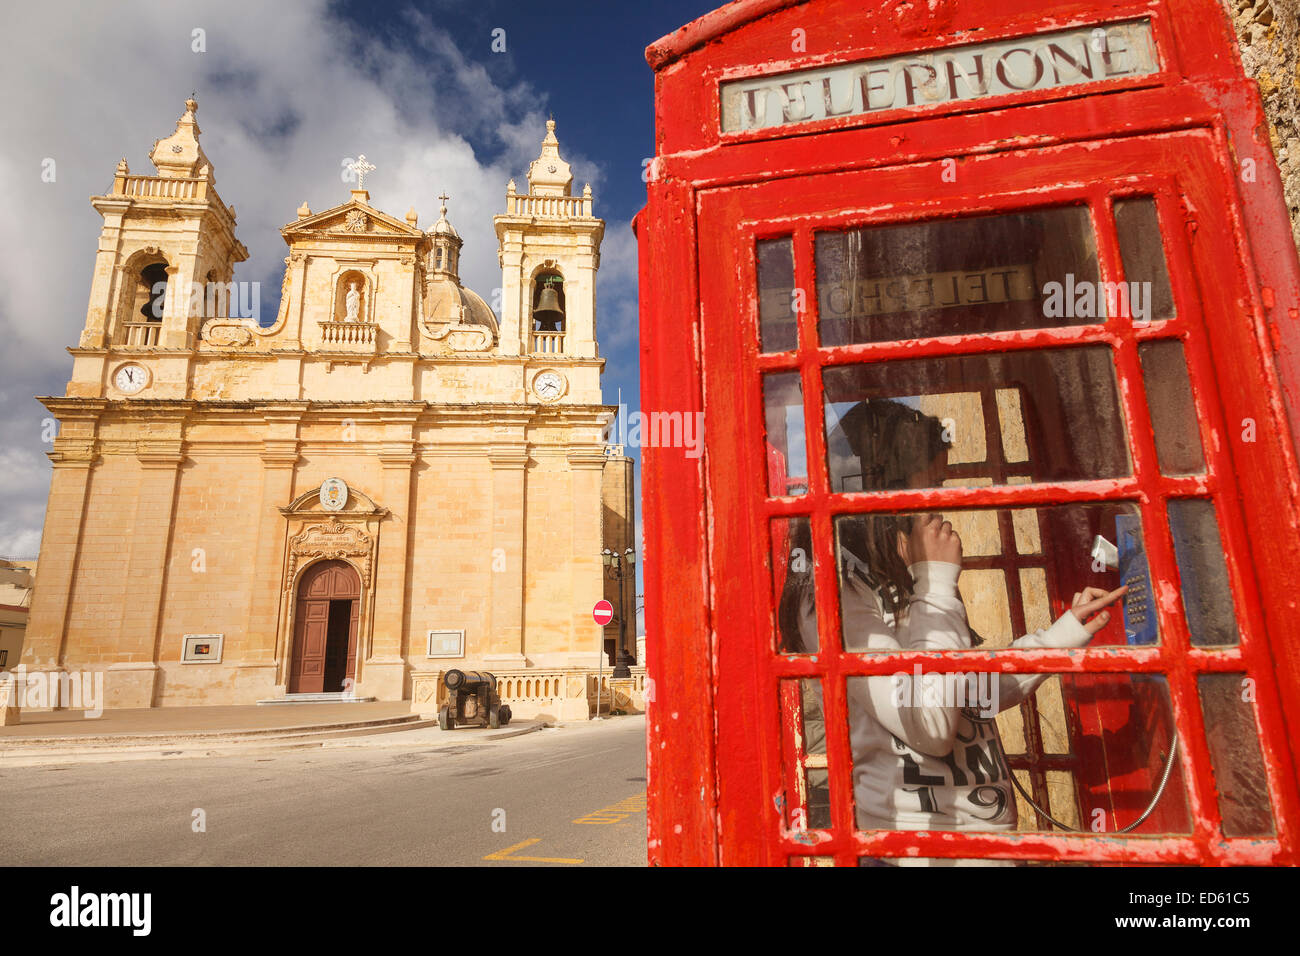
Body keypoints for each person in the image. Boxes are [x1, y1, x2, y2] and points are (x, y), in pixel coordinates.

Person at [777, 399, 1125, 864]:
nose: (942, 501)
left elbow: (966, 691)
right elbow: (930, 726)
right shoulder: (834, 594)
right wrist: (937, 582)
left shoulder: (910, 575)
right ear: (889, 486)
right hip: (914, 851)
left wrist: (1061, 636)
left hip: (986, 843)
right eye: (932, 484)